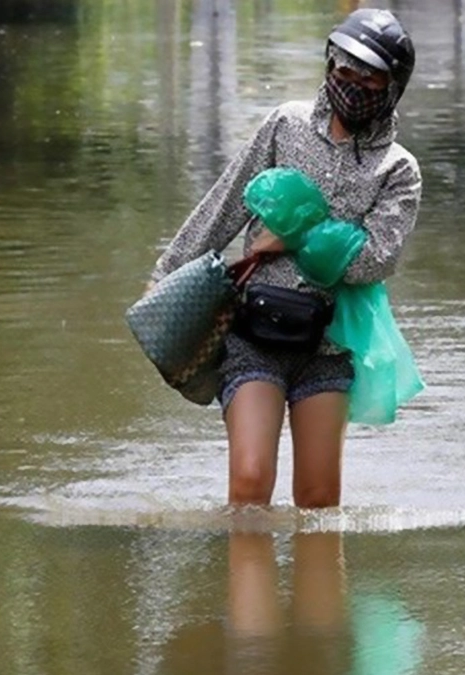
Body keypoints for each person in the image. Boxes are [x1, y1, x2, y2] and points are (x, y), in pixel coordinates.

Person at [146, 8, 421, 509]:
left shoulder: (398, 169)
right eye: (345, 68)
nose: (353, 82)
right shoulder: (285, 125)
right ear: (329, 64)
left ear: (392, 86)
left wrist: (292, 234)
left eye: (370, 76)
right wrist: (165, 278)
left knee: (318, 503)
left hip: (329, 347)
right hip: (254, 333)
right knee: (250, 484)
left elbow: (375, 260)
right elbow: (225, 204)